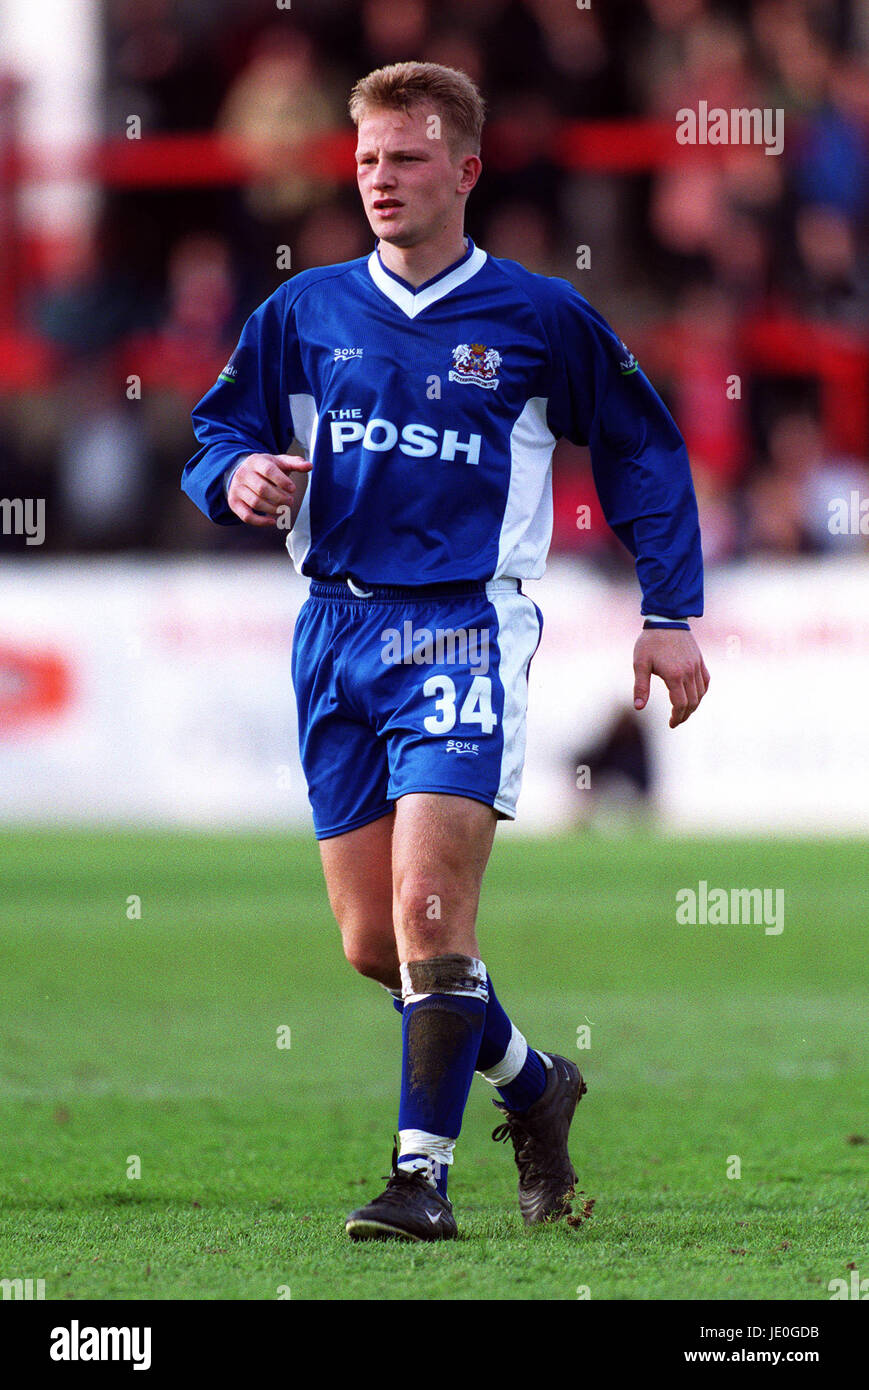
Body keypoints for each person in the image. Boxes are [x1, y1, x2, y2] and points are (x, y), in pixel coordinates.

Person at [182, 61, 710, 1243]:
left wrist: (667, 608)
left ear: (463, 171)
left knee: (429, 910)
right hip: (333, 628)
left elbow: (640, 446)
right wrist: (236, 473)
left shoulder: (535, 317)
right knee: (378, 943)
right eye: (366, 158)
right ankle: (532, 1082)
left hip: (460, 626)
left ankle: (418, 1180)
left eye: (406, 158)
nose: (380, 179)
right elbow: (214, 430)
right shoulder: (305, 310)